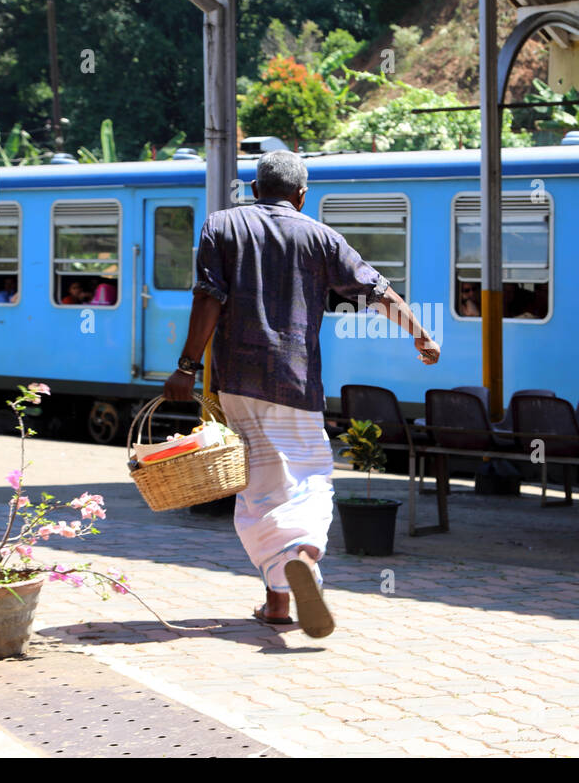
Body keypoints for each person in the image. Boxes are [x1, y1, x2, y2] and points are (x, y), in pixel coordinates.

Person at [164, 150, 440, 639]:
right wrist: (420, 333)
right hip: (297, 380)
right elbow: (377, 291)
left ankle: (277, 602)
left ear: (254, 189)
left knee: (260, 488)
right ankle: (304, 556)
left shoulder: (220, 227)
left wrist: (187, 367)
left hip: (238, 382)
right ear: (301, 194)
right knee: (310, 478)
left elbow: (208, 297)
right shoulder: (320, 236)